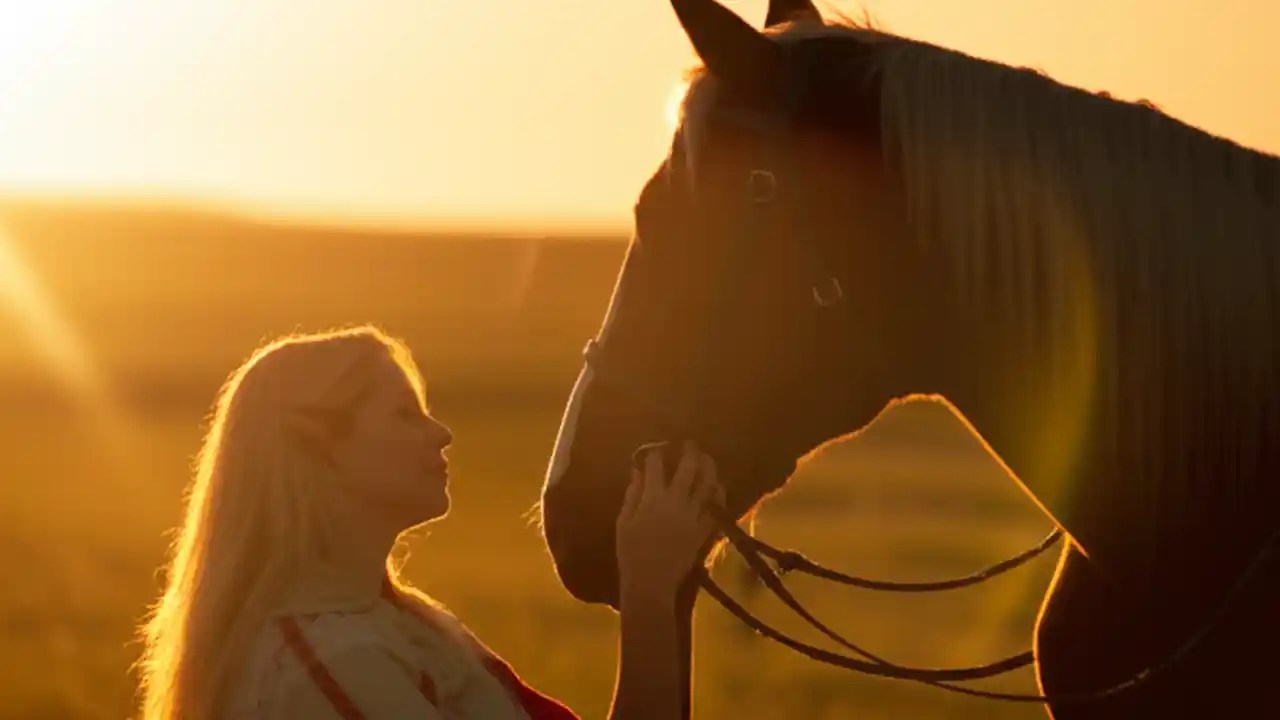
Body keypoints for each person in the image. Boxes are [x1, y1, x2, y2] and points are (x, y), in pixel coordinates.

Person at [134, 326, 724, 719]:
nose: (441, 435)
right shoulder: (328, 666)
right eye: (403, 415)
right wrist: (646, 592)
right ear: (316, 450)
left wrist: (663, 584)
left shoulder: (392, 621)